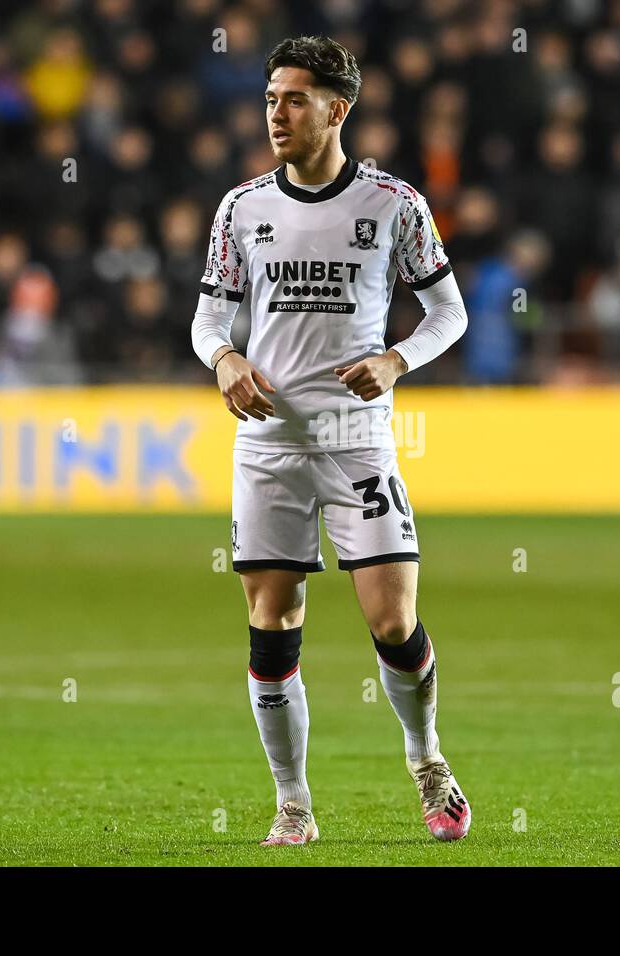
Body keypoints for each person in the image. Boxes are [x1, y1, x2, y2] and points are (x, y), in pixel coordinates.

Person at [190, 36, 470, 845]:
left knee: (392, 619)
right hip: (269, 442)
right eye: (271, 98)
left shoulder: (393, 204)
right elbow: (210, 315)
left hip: (357, 441)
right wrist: (226, 356)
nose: (276, 113)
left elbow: (449, 312)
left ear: (336, 109)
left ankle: (426, 760)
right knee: (272, 623)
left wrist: (395, 357)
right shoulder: (243, 208)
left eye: (294, 99)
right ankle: (293, 804)